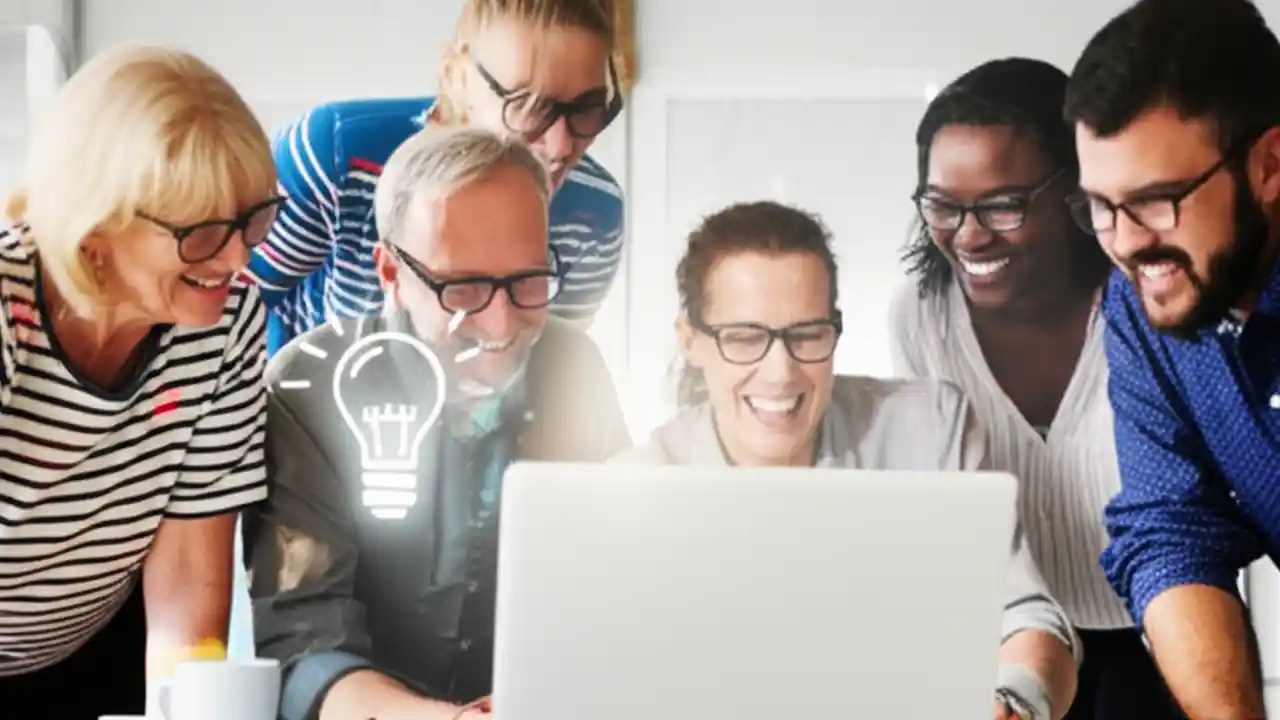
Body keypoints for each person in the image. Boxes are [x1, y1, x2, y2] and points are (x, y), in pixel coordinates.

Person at [617, 201, 1080, 720]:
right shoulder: (631, 490)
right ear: (691, 343)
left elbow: (1027, 622)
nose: (780, 373)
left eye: (807, 334)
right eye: (745, 338)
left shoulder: (929, 430)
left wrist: (1014, 704)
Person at [246, 125, 629, 720]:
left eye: (528, 281)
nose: (501, 325)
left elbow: (617, 589)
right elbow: (303, 643)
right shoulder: (310, 388)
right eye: (464, 288)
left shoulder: (574, 368)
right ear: (389, 272)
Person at [889, 58, 1183, 719]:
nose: (967, 233)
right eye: (943, 204)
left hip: (1162, 643)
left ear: (1076, 194)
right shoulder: (922, 317)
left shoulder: (1145, 303)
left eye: (1002, 204)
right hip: (1008, 653)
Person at [0, 45, 275, 718]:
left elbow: (186, 584)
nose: (237, 257)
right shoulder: (8, 308)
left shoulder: (226, 322)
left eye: (252, 220)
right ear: (97, 228)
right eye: (203, 231)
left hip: (89, 651)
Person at [1062, 0, 1280, 717]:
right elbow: (1171, 531)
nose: (1124, 243)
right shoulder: (1143, 306)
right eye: (1098, 205)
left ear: (1270, 164)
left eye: (1156, 201)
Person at [247, 0, 626, 356]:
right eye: (528, 106)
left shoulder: (595, 215)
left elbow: (549, 360)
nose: (561, 146)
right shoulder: (336, 153)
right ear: (457, 75)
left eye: (588, 109)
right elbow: (239, 300)